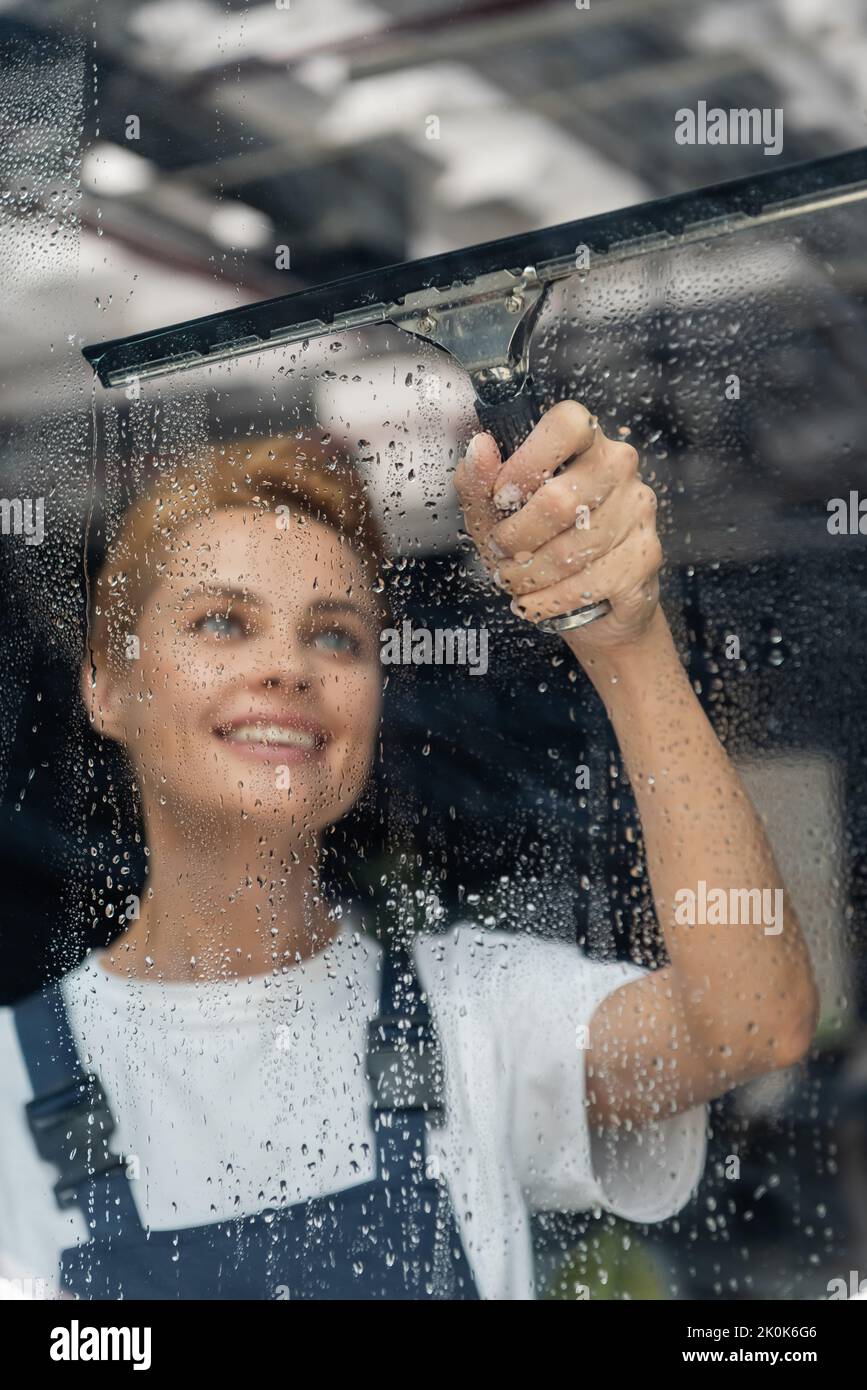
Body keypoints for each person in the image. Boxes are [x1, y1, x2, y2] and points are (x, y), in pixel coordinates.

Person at [0, 403, 818, 1301]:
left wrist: (622, 636)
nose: (287, 667)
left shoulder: (475, 1019)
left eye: (335, 634)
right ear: (107, 685)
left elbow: (751, 1019)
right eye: (223, 623)